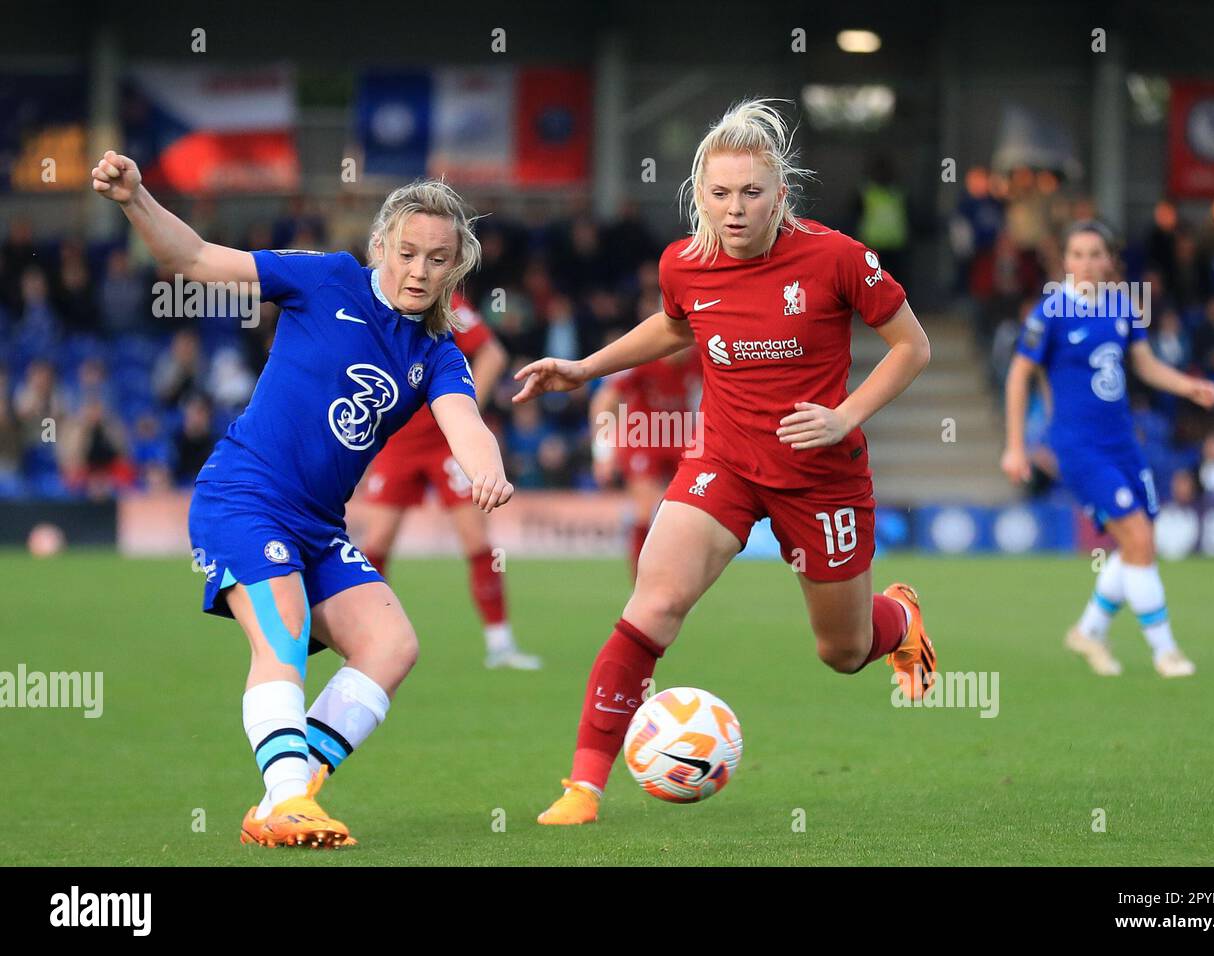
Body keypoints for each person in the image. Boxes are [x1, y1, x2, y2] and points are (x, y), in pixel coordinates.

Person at [513, 99, 934, 825]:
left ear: (782, 195)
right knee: (652, 606)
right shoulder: (685, 261)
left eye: (750, 194)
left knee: (842, 650)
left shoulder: (837, 258)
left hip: (821, 474)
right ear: (699, 194)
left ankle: (900, 622)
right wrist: (587, 368)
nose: (733, 210)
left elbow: (913, 347)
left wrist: (844, 416)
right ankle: (582, 786)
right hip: (725, 463)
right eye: (718, 194)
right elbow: (674, 327)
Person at [91, 149, 512, 848]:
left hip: (318, 524)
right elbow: (195, 258)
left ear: (456, 268)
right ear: (380, 245)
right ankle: (287, 798)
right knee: (283, 627)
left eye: (438, 261)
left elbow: (465, 422)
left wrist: (486, 470)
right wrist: (136, 198)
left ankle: (288, 796)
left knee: (391, 644)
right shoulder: (324, 278)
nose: (419, 271)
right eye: (407, 253)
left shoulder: (438, 351)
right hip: (243, 496)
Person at [1001, 220, 1214, 679]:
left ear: (1109, 260)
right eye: (1076, 254)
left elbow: (1144, 364)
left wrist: (1189, 386)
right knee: (1139, 539)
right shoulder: (1051, 311)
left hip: (1123, 442)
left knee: (1139, 543)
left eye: (1094, 253)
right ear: (1066, 261)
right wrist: (1016, 446)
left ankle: (1088, 630)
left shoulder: (1123, 305)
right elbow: (1020, 374)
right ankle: (1166, 652)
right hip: (1078, 446)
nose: (1085, 262)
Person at [361, 291, 541, 670]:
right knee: (375, 545)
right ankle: (367, 636)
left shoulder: (448, 302)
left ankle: (501, 644)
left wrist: (463, 406)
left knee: (477, 542)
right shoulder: (369, 297)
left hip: (448, 442)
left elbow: (492, 354)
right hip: (396, 441)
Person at [589, 346, 702, 579]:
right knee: (644, 510)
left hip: (682, 437)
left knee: (688, 514)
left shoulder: (700, 357)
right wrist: (602, 452)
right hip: (644, 439)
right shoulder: (644, 356)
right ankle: (641, 583)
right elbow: (604, 401)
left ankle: (678, 580)